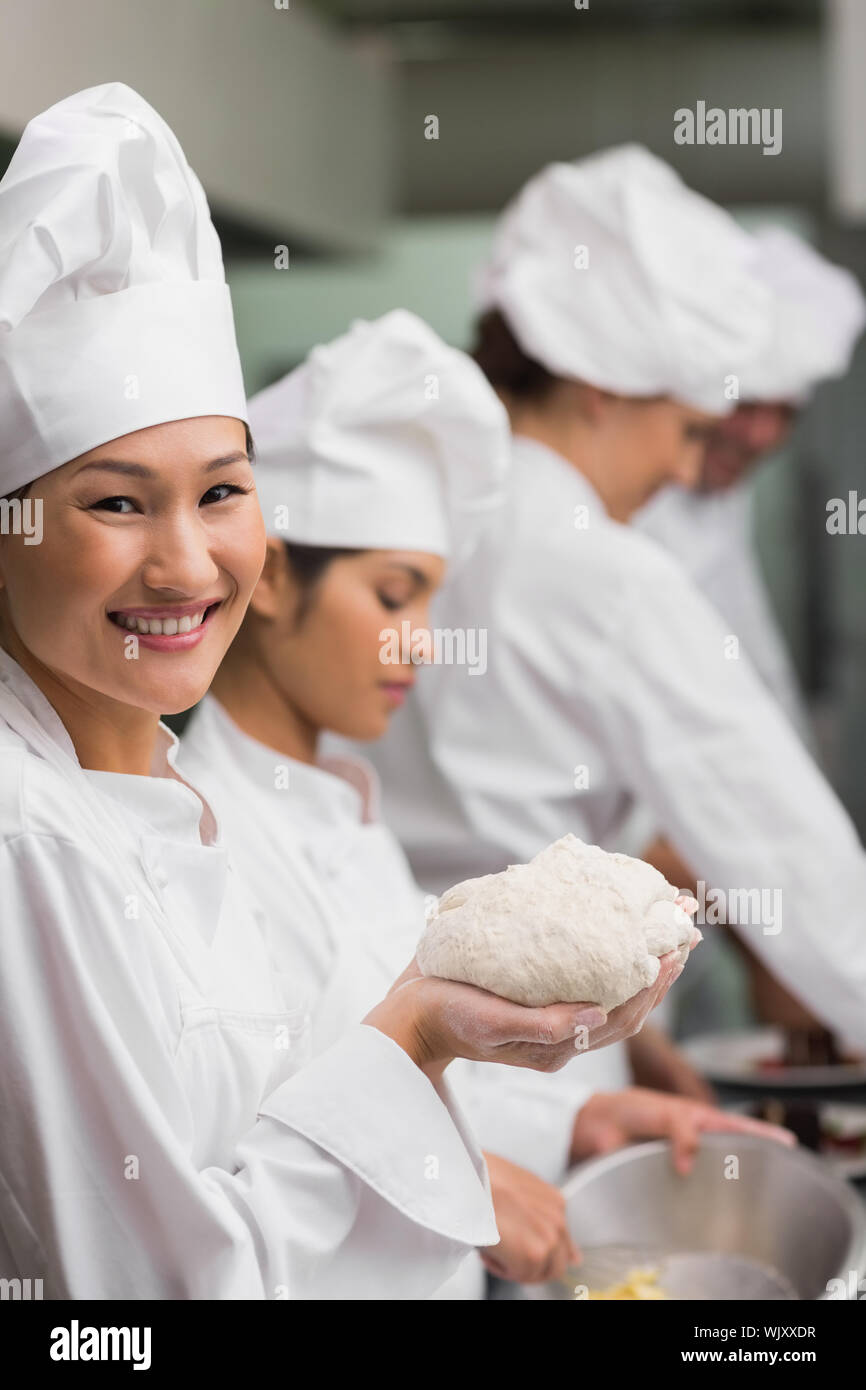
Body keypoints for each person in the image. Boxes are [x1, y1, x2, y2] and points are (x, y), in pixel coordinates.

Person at [0, 88, 682, 1301]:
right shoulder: (31, 837)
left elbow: (260, 1135)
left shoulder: (148, 805)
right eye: (116, 501)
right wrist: (423, 1037)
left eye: (221, 492)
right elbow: (144, 1305)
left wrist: (522, 1094)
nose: (184, 561)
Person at [179, 310, 792, 1298]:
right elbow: (228, 1192)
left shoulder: (343, 809)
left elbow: (402, 1075)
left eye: (431, 603)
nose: (420, 643)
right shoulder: (198, 837)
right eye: (391, 596)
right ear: (276, 575)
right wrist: (447, 1188)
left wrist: (573, 1124)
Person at [359, 145, 866, 1069]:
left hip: (384, 1019)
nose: (684, 471)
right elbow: (793, 860)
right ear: (602, 387)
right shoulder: (598, 565)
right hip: (530, 1050)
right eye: (686, 432)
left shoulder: (419, 507)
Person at [637, 225, 866, 742]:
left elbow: (748, 655)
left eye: (784, 414)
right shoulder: (622, 497)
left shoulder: (722, 498)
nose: (761, 435)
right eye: (745, 405)